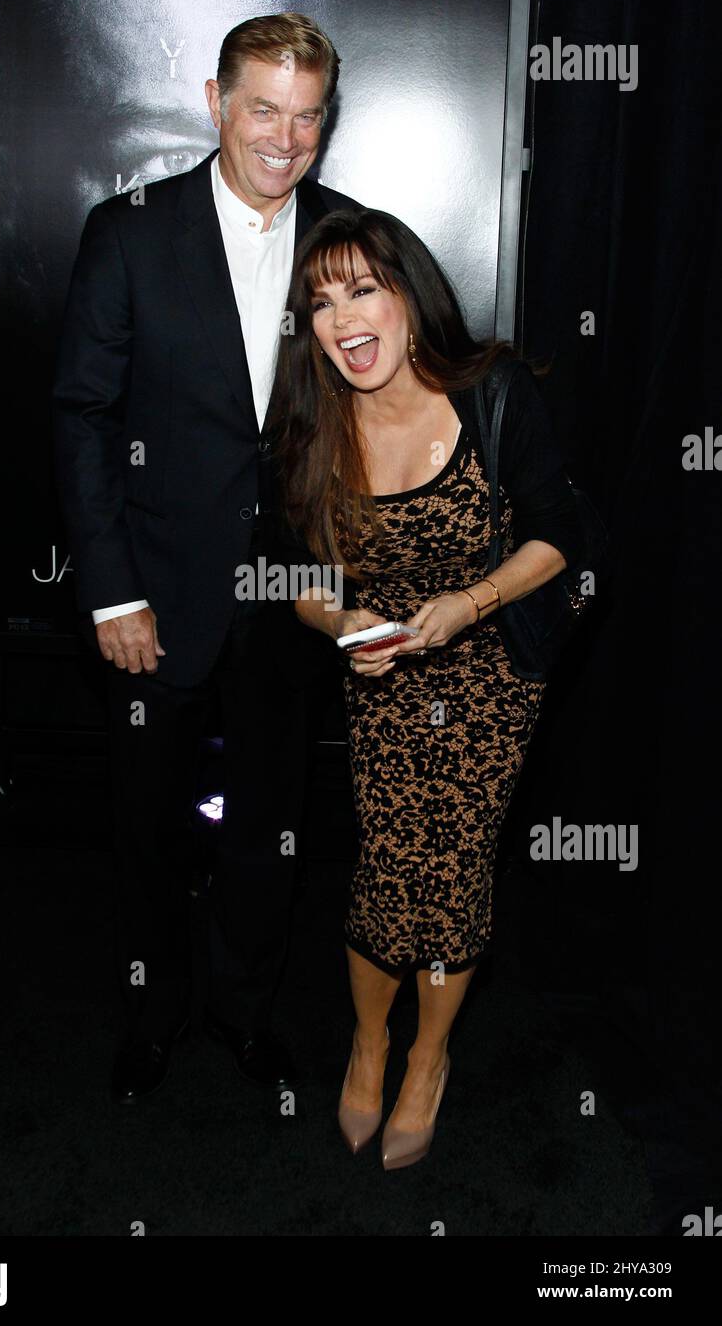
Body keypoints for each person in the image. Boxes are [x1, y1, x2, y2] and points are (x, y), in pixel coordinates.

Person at [52, 14, 361, 1102]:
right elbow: (83, 418)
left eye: (307, 114)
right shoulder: (129, 232)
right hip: (155, 593)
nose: (284, 137)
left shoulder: (348, 240)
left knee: (269, 826)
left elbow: (379, 418)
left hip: (288, 600)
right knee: (146, 826)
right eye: (264, 108)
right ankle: (154, 1012)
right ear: (215, 100)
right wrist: (111, 592)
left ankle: (241, 1010)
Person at [266, 207, 584, 1168]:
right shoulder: (314, 416)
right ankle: (369, 1043)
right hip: (385, 676)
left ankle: (429, 1057)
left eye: (363, 288)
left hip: (491, 673)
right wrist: (343, 623)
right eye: (321, 300)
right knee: (385, 867)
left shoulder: (490, 394)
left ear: (410, 296)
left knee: (451, 871)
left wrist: (472, 602)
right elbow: (298, 577)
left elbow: (565, 534)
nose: (343, 318)